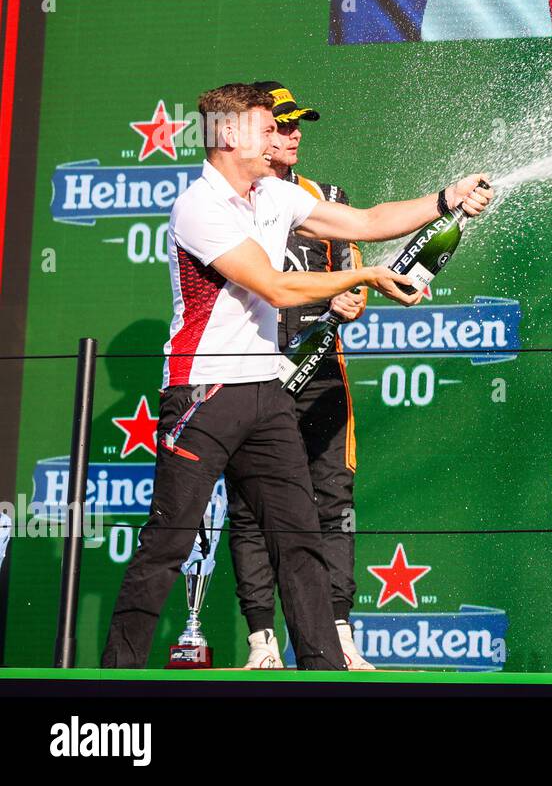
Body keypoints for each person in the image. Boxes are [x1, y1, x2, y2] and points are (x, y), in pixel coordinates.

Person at [101, 83, 493, 668]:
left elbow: (365, 221)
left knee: (300, 540)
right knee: (168, 542)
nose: (280, 137)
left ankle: (323, 671)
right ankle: (115, 679)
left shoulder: (273, 195)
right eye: (266, 128)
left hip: (265, 395)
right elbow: (276, 285)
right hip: (202, 393)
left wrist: (445, 198)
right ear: (230, 134)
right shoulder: (199, 206)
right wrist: (367, 279)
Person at [226, 81, 369, 669]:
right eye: (281, 125)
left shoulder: (325, 196)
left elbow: (354, 269)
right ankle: (262, 638)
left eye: (297, 124)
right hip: (255, 366)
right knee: (250, 502)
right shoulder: (231, 199)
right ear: (256, 131)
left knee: (332, 498)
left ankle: (337, 631)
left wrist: (352, 299)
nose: (293, 134)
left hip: (320, 366)